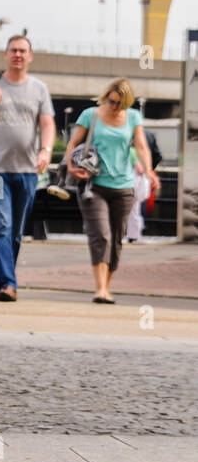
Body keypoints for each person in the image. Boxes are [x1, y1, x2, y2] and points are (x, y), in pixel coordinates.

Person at [0, 35, 56, 302]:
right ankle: (8, 284)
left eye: (22, 51)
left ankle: (1, 274)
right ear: (6, 54)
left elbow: (47, 124)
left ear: (30, 56)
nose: (18, 54)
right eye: (13, 50)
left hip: (28, 171)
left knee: (16, 231)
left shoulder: (39, 89)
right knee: (1, 225)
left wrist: (46, 150)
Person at [66, 78, 160, 303]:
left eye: (120, 104)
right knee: (101, 235)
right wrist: (70, 165)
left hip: (123, 187)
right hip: (94, 185)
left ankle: (107, 287)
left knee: (116, 238)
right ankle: (100, 289)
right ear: (106, 97)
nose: (115, 106)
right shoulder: (90, 115)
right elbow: (73, 143)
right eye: (112, 101)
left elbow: (141, 146)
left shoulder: (133, 117)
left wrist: (149, 171)